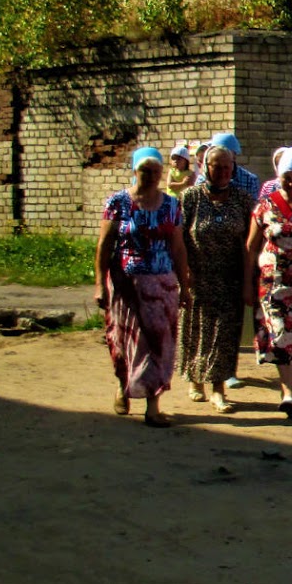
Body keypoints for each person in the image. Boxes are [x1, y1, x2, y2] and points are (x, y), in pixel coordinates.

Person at [96, 147, 187, 427]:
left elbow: (178, 248)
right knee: (123, 342)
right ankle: (123, 386)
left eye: (156, 171)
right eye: (145, 171)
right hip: (126, 286)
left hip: (161, 287)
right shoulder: (118, 202)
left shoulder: (172, 205)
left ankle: (153, 405)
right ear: (135, 171)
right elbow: (104, 246)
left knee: (158, 344)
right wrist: (100, 284)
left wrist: (185, 285)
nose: (150, 176)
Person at [244, 148, 292, 416]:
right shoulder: (266, 204)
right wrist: (247, 282)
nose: (290, 182)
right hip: (273, 283)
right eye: (286, 177)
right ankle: (288, 392)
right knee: (281, 333)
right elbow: (252, 247)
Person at [179, 143, 254, 411]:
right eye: (216, 166)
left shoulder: (243, 200)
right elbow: (179, 240)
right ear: (205, 167)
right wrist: (184, 274)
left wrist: (248, 281)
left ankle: (218, 389)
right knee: (196, 330)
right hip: (198, 276)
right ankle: (195, 379)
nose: (222, 171)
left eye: (227, 166)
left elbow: (249, 244)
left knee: (225, 334)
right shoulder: (190, 198)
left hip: (230, 277)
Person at [209, 131, 262, 202]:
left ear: (234, 156)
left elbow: (253, 209)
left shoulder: (249, 180)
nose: (222, 172)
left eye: (226, 153)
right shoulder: (202, 180)